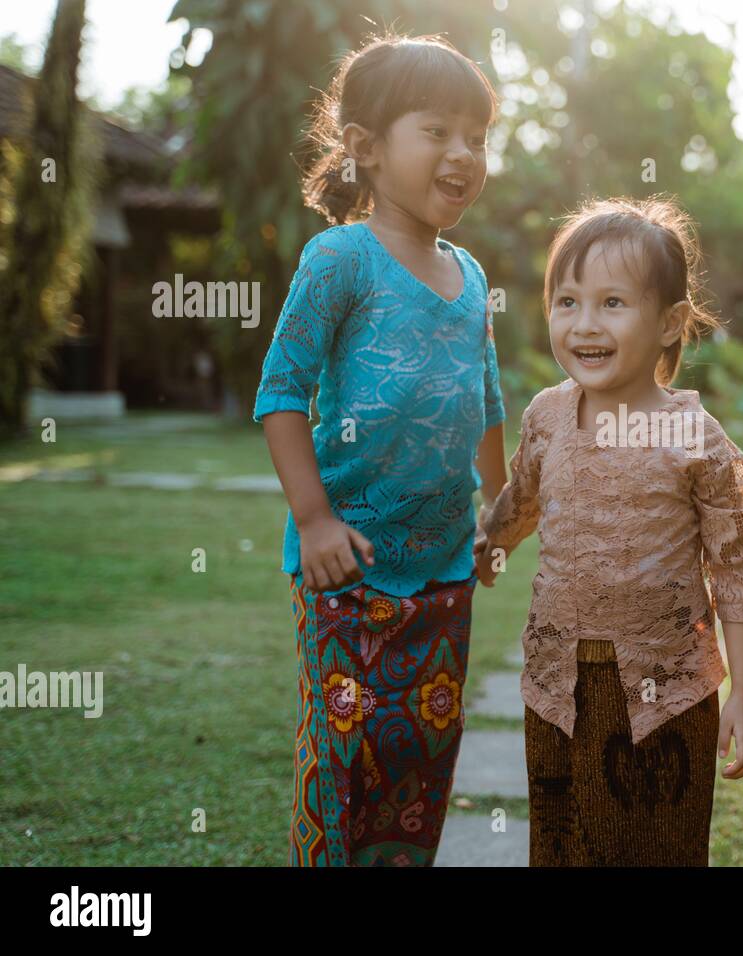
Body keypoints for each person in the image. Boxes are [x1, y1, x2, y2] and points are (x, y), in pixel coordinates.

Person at [253, 34, 506, 866]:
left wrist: (497, 517)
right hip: (345, 573)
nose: (463, 154)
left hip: (443, 572)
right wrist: (315, 519)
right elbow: (281, 394)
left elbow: (486, 405)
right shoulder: (341, 259)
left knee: (420, 768)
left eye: (477, 136)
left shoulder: (471, 277)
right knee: (344, 767)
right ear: (365, 147)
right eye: (438, 131)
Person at [475, 196, 743, 866]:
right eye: (567, 301)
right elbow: (520, 499)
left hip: (666, 693)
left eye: (612, 303)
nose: (584, 323)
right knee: (564, 844)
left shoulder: (692, 436)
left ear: (669, 324)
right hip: (557, 686)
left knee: (656, 848)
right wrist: (487, 553)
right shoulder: (549, 416)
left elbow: (736, 568)